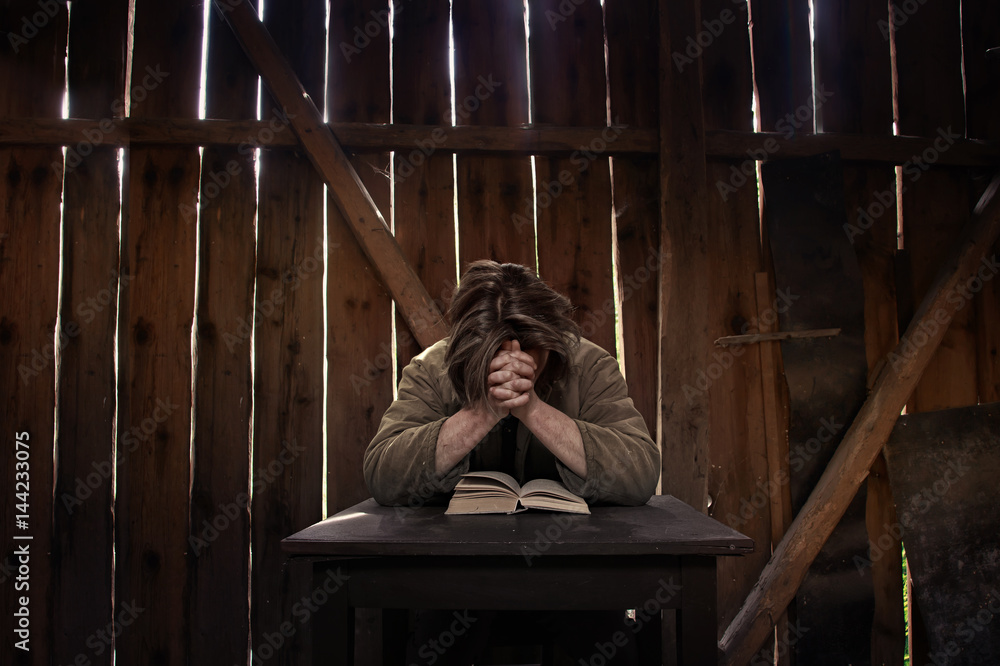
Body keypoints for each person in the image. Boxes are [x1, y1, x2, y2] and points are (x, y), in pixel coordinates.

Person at [363, 260, 660, 665]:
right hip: (461, 574)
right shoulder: (432, 369)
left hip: (571, 570)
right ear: (468, 344)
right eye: (496, 349)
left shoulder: (589, 366)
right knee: (438, 646)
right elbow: (383, 473)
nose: (514, 361)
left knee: (615, 647)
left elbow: (640, 471)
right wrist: (483, 411)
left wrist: (532, 408)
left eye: (529, 347)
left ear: (552, 337)